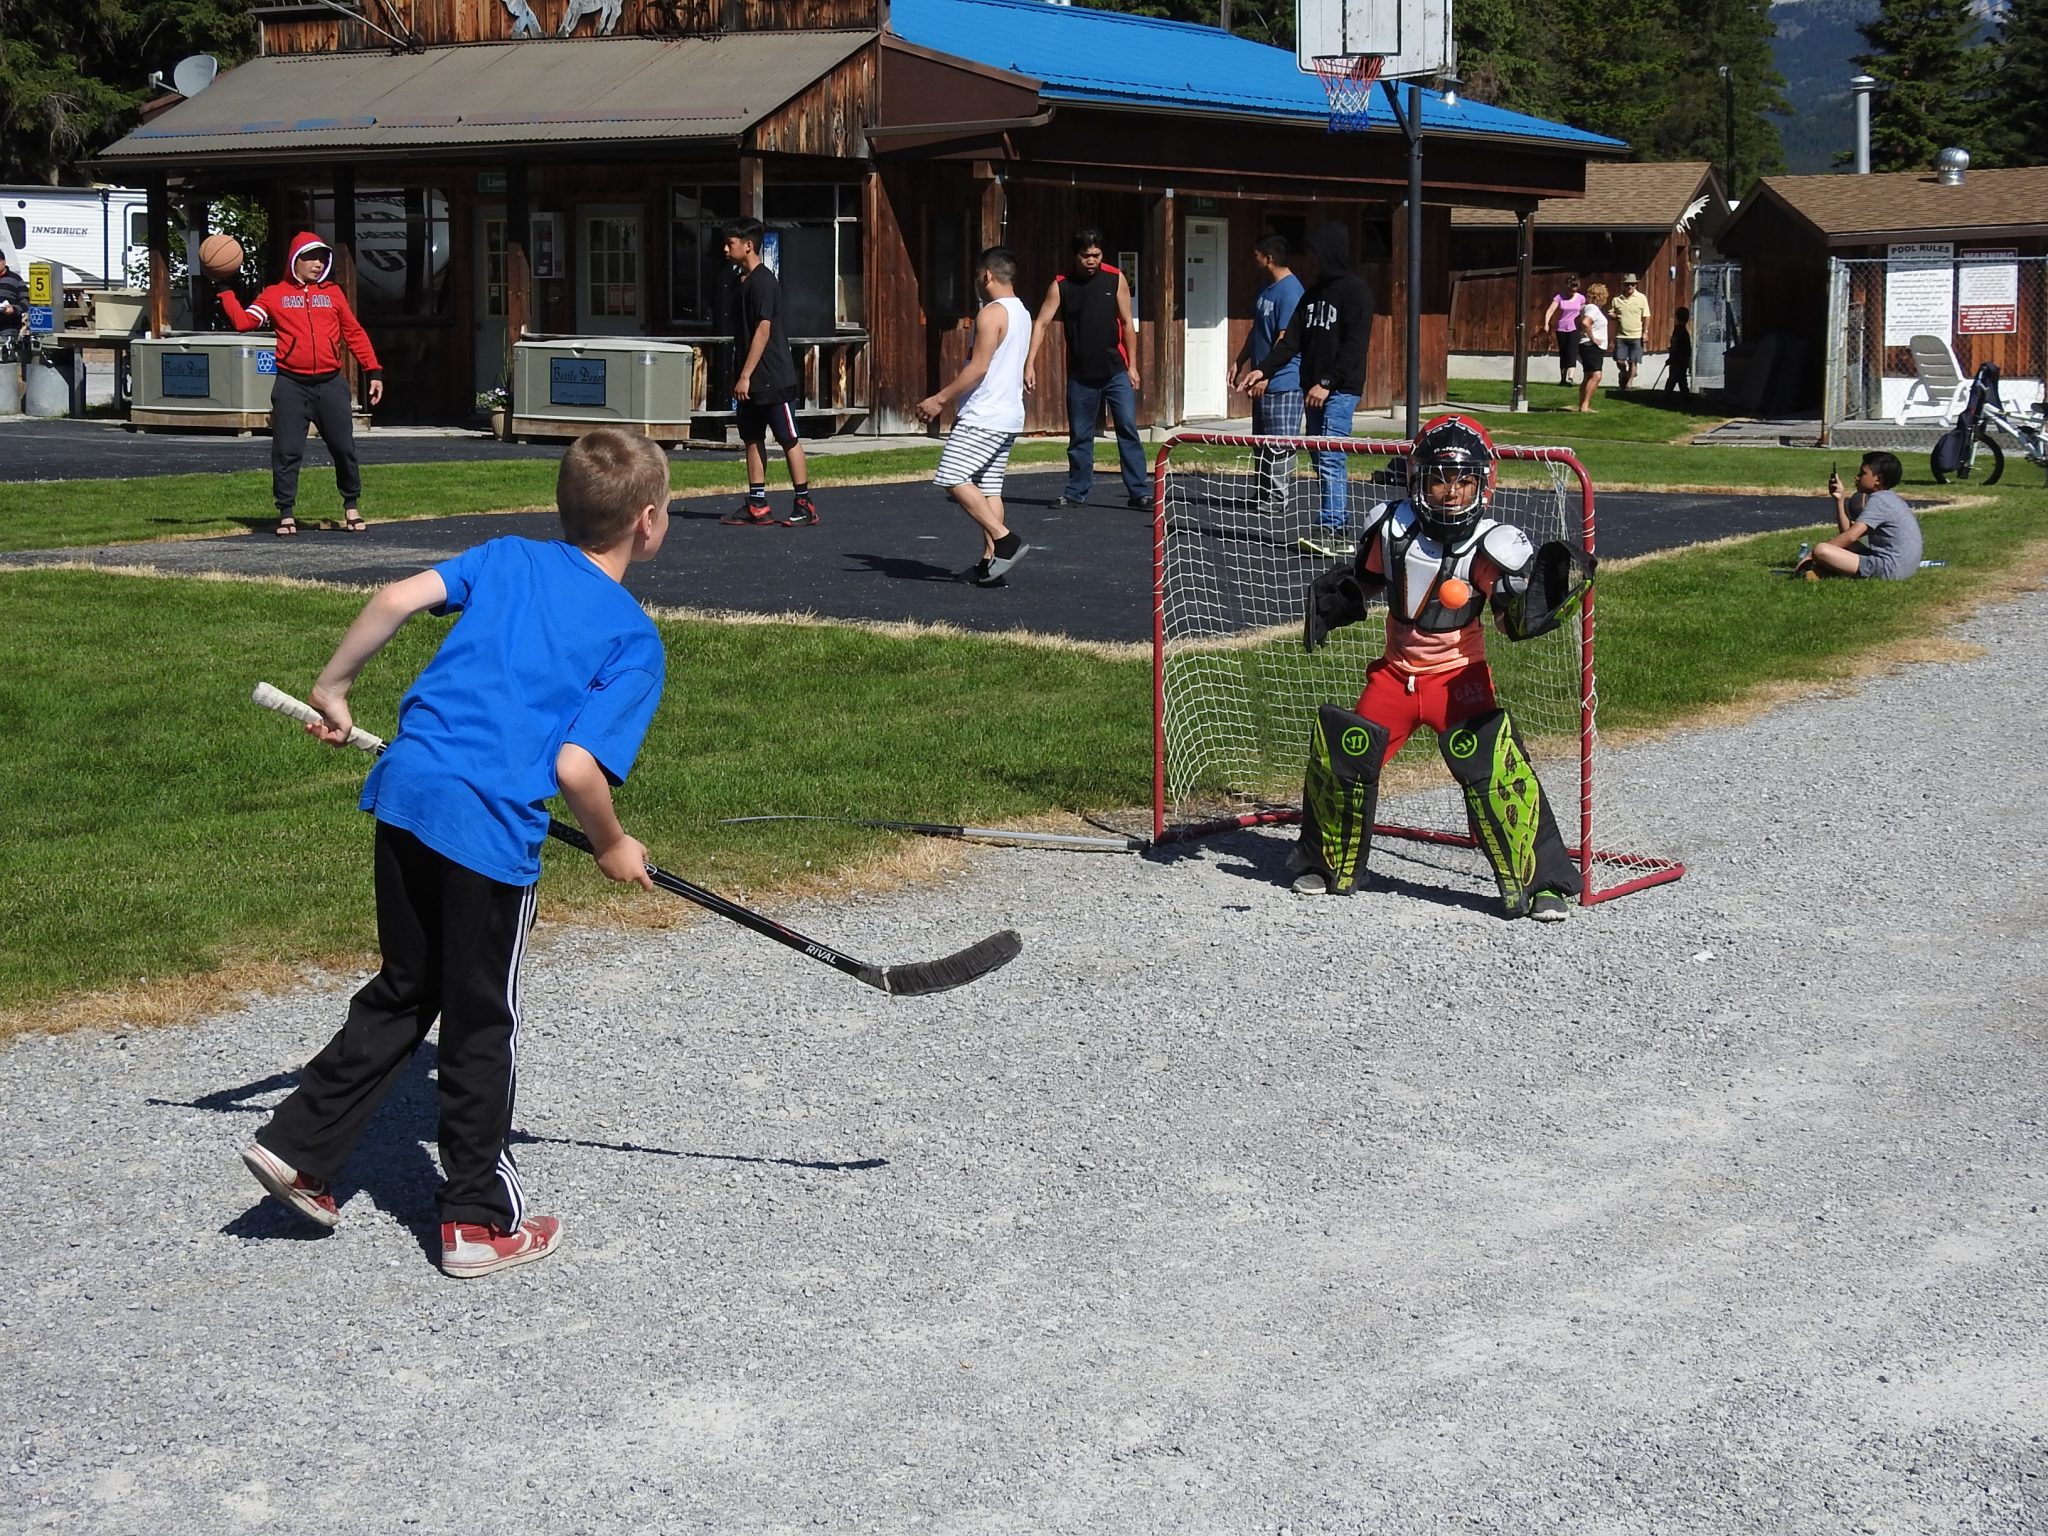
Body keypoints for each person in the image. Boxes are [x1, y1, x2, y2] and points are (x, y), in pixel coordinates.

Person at [240, 427, 672, 1277]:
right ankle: (476, 1220)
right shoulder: (633, 638)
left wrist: (333, 688)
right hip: (485, 834)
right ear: (647, 523)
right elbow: (576, 764)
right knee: (480, 1021)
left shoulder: (507, 555)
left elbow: (398, 598)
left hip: (406, 796)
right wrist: (613, 843)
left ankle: (300, 1148)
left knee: (409, 987)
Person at [1290, 414, 1593, 921]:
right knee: (1345, 759)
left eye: (1464, 480)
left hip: (1460, 678)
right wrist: (1342, 596)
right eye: (1438, 479)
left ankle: (1544, 885)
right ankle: (1325, 863)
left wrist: (1530, 601)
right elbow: (1368, 579)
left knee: (1499, 773)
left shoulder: (1494, 544)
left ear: (1482, 484)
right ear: (1417, 479)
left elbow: (1509, 620)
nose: (1451, 492)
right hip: (1394, 676)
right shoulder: (1389, 526)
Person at [220, 232, 383, 536]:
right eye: (311, 257)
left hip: (330, 384)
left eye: (323, 258)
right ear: (296, 260)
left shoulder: (333, 294)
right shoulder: (274, 294)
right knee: (287, 450)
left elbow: (354, 333)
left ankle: (351, 506)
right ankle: (286, 512)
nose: (318, 264)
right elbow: (244, 322)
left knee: (344, 448)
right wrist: (225, 291)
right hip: (291, 385)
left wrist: (373, 371)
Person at [1239, 222, 1375, 536]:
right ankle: (1336, 520)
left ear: (1328, 253)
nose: (1310, 259)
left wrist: (1327, 383)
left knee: (1329, 454)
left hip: (1340, 390)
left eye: (1314, 253)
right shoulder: (1311, 295)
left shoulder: (1356, 292)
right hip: (1311, 388)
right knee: (1318, 456)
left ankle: (1332, 527)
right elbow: (1290, 341)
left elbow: (1354, 347)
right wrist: (1264, 369)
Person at [916, 247, 1033, 588]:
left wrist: (939, 399)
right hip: (1009, 414)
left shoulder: (992, 313)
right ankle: (991, 564)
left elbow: (979, 368)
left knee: (952, 475)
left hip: (986, 414)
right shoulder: (1022, 311)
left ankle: (1004, 539)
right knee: (989, 487)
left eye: (976, 277)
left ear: (986, 276)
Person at [1025, 230, 1150, 510]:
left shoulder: (1115, 278)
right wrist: (1030, 362)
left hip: (1116, 371)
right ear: (1076, 256)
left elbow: (1128, 323)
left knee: (1127, 430)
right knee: (1080, 436)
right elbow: (1041, 324)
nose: (1091, 260)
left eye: (1096, 255)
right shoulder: (1061, 284)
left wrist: (1133, 366)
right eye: (1086, 256)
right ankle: (1076, 492)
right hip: (1081, 375)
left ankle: (1139, 491)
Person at [718, 217, 817, 528]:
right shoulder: (739, 282)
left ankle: (804, 502)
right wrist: (740, 375)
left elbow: (763, 330)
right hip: (747, 377)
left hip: (773, 375)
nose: (725, 248)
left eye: (730, 243)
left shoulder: (764, 282)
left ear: (748, 246)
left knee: (788, 437)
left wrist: (746, 374)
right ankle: (757, 503)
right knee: (751, 437)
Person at [1232, 234, 1306, 510]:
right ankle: (1263, 493)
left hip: (1283, 382)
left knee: (1279, 444)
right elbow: (1258, 332)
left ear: (1269, 258)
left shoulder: (1291, 291)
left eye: (1257, 255)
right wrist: (1240, 362)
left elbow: (1284, 339)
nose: (1255, 259)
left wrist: (1266, 374)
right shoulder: (1266, 289)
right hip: (1261, 379)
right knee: (1261, 443)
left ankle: (1278, 498)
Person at [1797, 452, 1923, 580]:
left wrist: (1811, 556)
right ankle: (1824, 571)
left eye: (1862, 473)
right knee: (1846, 545)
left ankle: (1823, 570)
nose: (1857, 477)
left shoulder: (1879, 501)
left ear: (1878, 480)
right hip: (1903, 567)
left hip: (1890, 568)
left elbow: (1850, 536)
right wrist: (1840, 500)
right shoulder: (1889, 499)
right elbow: (1848, 533)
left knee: (1821, 550)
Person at [1541, 275, 1586, 387]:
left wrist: (1584, 326)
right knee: (1563, 353)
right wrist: (1546, 323)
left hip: (1574, 328)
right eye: (1570, 290)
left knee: (1572, 351)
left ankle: (1570, 377)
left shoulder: (1581, 298)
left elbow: (1584, 312)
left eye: (1574, 290)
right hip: (1561, 328)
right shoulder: (1559, 297)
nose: (1572, 292)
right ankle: (1563, 378)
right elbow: (1550, 311)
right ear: (1567, 287)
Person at [1610, 273, 1650, 390]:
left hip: (1636, 335)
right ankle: (1626, 373)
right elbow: (1610, 312)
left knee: (1634, 360)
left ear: (1636, 285)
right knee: (1619, 360)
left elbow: (1647, 316)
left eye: (1632, 284)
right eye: (1628, 284)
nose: (1630, 287)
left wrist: (1645, 332)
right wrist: (1615, 317)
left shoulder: (1642, 298)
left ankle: (1629, 382)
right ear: (1624, 285)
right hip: (1621, 335)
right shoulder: (1617, 299)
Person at [1575, 282, 1610, 413]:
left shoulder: (1586, 308)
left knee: (1588, 376)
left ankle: (1582, 405)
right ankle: (1585, 405)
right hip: (1591, 346)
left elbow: (1579, 321)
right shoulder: (1593, 308)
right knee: (1596, 376)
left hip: (1588, 346)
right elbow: (1585, 323)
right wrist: (1593, 338)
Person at [1664, 305, 1693, 398]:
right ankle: (1671, 395)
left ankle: (1673, 395)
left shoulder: (1678, 329)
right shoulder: (1681, 330)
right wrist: (1672, 356)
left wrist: (1671, 355)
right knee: (1677, 378)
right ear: (1687, 318)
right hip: (1680, 358)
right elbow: (1675, 343)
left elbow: (1674, 343)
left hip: (1678, 358)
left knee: (1677, 378)